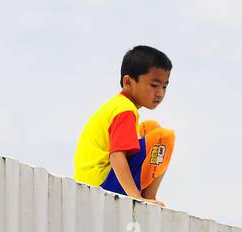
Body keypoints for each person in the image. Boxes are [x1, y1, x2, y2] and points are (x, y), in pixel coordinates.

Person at [73, 45, 175, 204]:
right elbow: (117, 155)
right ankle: (148, 198)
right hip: (101, 184)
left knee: (150, 128)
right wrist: (135, 197)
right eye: (154, 85)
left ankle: (144, 196)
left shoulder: (118, 106)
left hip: (91, 181)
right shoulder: (125, 111)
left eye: (164, 86)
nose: (160, 93)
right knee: (164, 137)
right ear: (128, 82)